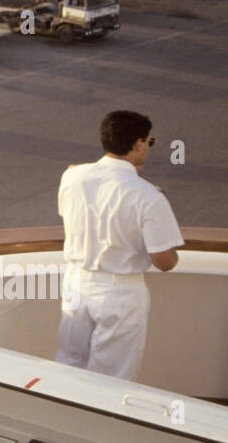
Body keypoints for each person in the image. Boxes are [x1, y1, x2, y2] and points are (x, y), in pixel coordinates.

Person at [54, 109, 183, 380]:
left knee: (68, 362)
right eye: (150, 141)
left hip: (76, 283)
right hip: (119, 294)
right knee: (111, 377)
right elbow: (164, 262)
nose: (148, 146)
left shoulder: (72, 177)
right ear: (137, 144)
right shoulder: (148, 196)